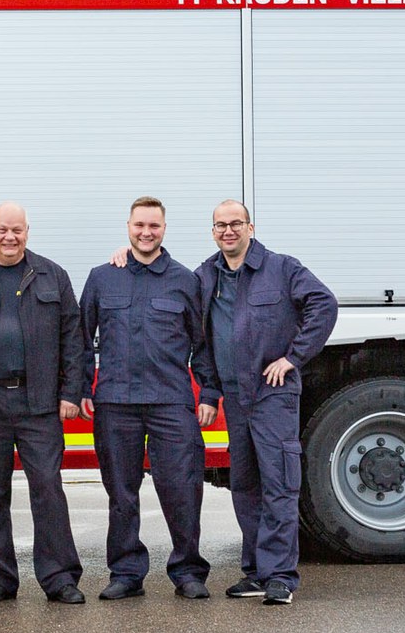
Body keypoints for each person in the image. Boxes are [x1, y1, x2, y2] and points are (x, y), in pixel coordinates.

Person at [192, 200, 337, 606]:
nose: (228, 231)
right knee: (245, 486)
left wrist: (293, 357)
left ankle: (280, 577)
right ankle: (256, 572)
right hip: (235, 398)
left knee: (279, 484)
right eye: (220, 225)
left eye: (235, 223)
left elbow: (324, 304)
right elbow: (201, 339)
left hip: (272, 394)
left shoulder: (281, 268)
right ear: (213, 232)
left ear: (250, 228)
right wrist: (209, 392)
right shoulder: (206, 276)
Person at [0, 202, 90, 604]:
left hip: (39, 403)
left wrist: (70, 392)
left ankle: (60, 578)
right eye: (2, 230)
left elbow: (73, 339)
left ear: (27, 232)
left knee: (47, 490)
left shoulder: (52, 275)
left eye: (17, 230)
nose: (9, 237)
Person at [79, 197, 211, 600]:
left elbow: (203, 343)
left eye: (154, 225)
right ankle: (126, 573)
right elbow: (80, 339)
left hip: (171, 401)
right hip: (116, 402)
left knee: (182, 488)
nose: (146, 232)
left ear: (164, 229)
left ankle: (188, 571)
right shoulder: (103, 278)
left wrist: (208, 392)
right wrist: (81, 388)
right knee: (121, 493)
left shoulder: (185, 280)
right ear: (128, 227)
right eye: (139, 225)